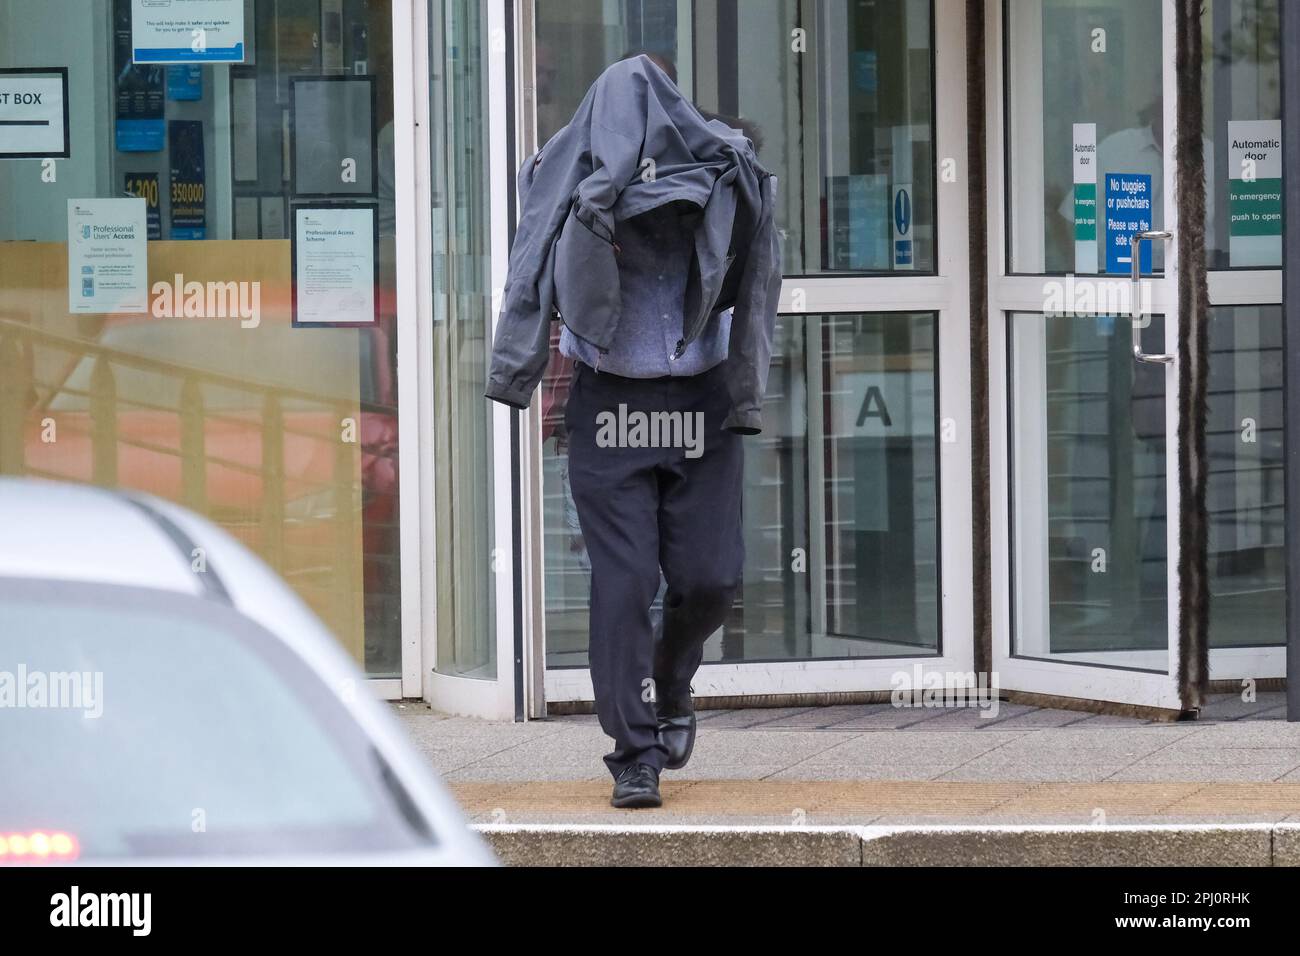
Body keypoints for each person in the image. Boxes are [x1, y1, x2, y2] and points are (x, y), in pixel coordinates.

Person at [485, 53, 782, 808]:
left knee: (711, 579)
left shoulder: (724, 165)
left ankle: (672, 678)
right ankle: (634, 751)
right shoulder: (559, 171)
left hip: (699, 403)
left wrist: (747, 388)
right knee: (622, 585)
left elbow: (759, 280)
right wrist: (516, 373)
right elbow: (527, 273)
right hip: (608, 401)